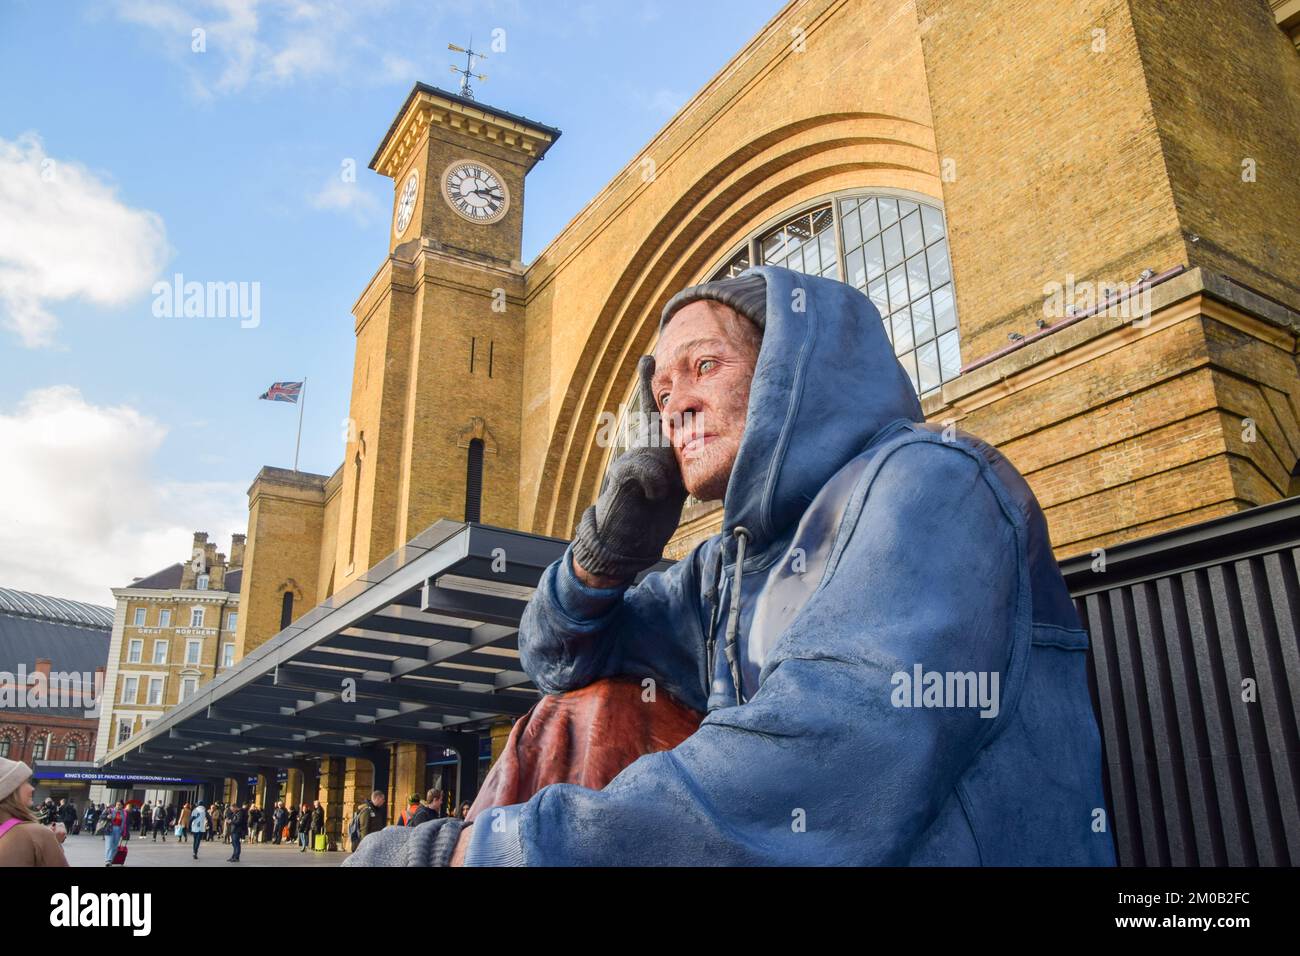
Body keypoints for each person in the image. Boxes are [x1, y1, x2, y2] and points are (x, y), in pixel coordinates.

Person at [345, 265, 1117, 868]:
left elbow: (822, 766)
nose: (675, 403)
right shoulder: (729, 564)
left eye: (704, 366)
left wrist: (485, 851)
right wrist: (607, 551)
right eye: (662, 389)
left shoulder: (930, 484)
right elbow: (555, 658)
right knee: (590, 705)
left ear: (789, 374)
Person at [0, 758, 68, 867]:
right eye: (25, 782)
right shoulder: (37, 834)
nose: (32, 788)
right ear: (10, 790)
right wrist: (53, 843)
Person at [101, 799, 127, 866]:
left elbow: (125, 823)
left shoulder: (124, 813)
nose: (118, 806)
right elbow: (101, 816)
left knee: (115, 846)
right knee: (109, 845)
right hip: (110, 828)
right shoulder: (110, 810)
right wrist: (107, 816)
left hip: (118, 830)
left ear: (122, 806)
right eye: (117, 804)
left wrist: (124, 832)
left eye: (120, 805)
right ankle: (108, 860)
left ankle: (111, 859)